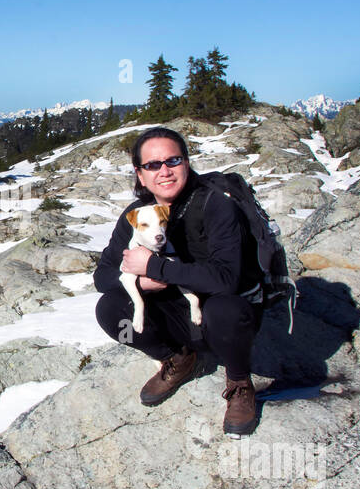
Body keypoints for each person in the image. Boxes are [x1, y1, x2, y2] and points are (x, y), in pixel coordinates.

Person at [94, 126, 265, 436]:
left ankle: (239, 382)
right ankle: (178, 359)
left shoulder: (215, 205)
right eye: (152, 165)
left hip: (223, 315)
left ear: (186, 163)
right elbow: (103, 276)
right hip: (179, 313)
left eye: (173, 161)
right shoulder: (137, 214)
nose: (164, 171)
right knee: (109, 309)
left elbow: (227, 279)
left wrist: (157, 268)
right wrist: (142, 283)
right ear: (140, 174)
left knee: (224, 310)